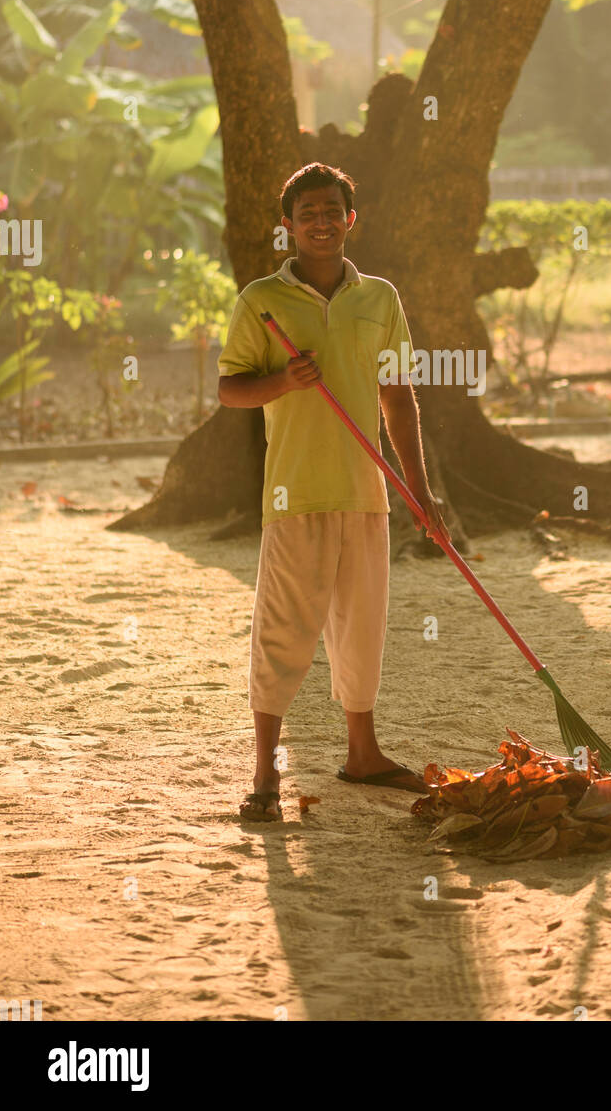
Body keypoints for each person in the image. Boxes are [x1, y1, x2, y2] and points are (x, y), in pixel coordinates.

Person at [218, 162, 449, 821]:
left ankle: (363, 754)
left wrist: (417, 489)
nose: (320, 221)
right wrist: (284, 382)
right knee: (282, 633)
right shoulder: (260, 301)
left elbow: (397, 393)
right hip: (294, 495)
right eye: (306, 212)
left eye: (331, 210)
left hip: (364, 490)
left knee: (361, 629)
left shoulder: (379, 297)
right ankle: (264, 769)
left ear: (351, 219)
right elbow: (230, 389)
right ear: (287, 225)